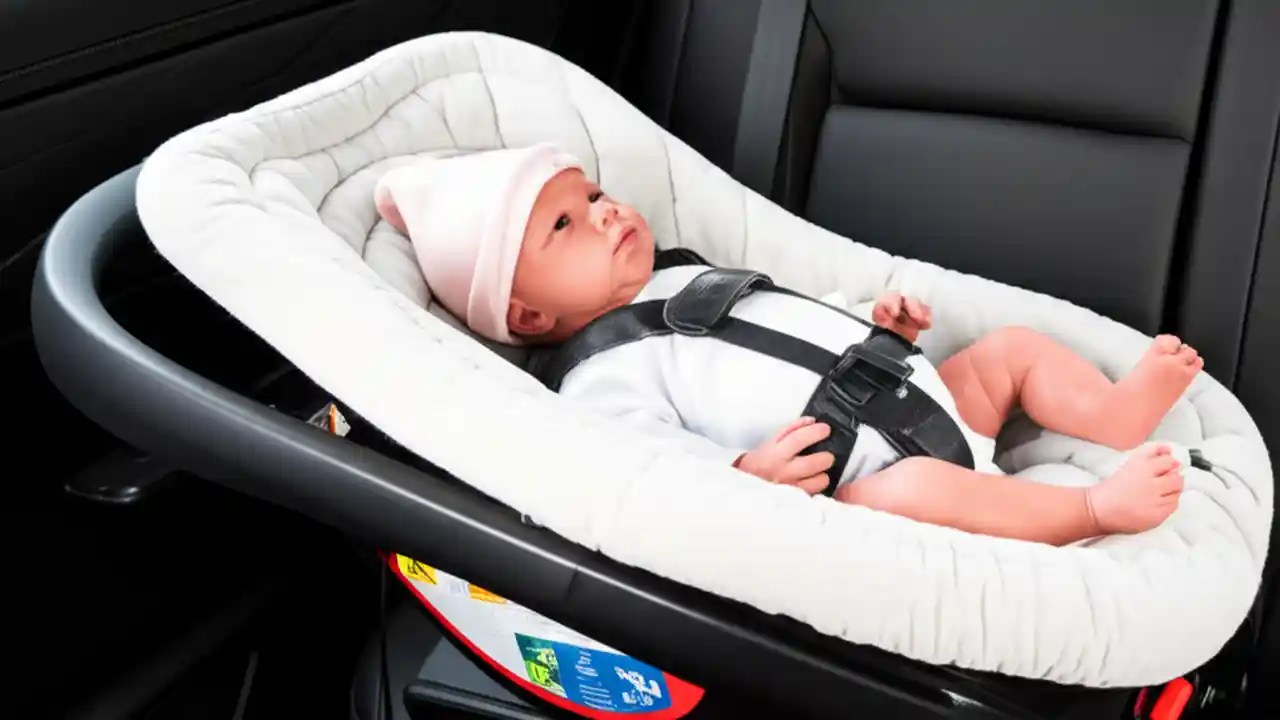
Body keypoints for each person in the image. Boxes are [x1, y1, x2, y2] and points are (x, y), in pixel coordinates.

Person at [374, 143, 1202, 546]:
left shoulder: (685, 274)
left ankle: (1112, 414)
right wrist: (743, 476)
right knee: (912, 493)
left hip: (921, 393)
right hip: (874, 476)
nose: (607, 211)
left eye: (592, 193)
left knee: (1010, 350)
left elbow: (793, 319)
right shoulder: (597, 377)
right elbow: (643, 465)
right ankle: (1089, 510)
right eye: (566, 225)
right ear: (524, 317)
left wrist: (884, 330)